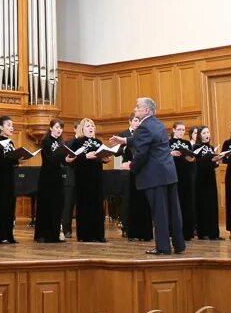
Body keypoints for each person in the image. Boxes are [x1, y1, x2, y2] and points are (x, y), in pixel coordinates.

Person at [125, 97, 185, 255]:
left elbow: (142, 153)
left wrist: (130, 165)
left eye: (138, 107)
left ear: (146, 110)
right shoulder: (158, 124)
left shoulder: (143, 127)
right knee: (173, 211)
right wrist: (125, 140)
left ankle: (163, 247)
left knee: (160, 213)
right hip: (168, 173)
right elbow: (149, 142)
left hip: (154, 176)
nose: (135, 109)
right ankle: (179, 245)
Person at [110, 112, 151, 242]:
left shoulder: (143, 134)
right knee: (128, 199)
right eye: (135, 120)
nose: (137, 122)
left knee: (141, 198)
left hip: (141, 170)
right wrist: (125, 146)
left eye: (139, 120)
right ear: (130, 121)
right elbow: (116, 152)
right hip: (127, 171)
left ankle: (142, 229)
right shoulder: (123, 135)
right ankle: (127, 228)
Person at [35, 118, 74, 243]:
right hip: (47, 177)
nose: (59, 130)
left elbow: (62, 160)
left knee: (57, 205)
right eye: (57, 127)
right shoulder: (46, 141)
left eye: (61, 128)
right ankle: (42, 235)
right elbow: (49, 159)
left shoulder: (61, 142)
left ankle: (55, 234)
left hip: (58, 177)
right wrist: (61, 158)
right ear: (51, 128)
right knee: (46, 205)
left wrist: (66, 160)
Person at [69, 117, 107, 243]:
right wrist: (86, 156)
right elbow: (71, 161)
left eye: (92, 126)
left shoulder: (98, 142)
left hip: (97, 178)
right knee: (85, 205)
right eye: (87, 126)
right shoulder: (77, 142)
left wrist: (105, 158)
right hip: (83, 178)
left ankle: (98, 235)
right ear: (82, 129)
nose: (91, 128)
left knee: (97, 206)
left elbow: (103, 155)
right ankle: (85, 235)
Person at [0, 114, 24, 244]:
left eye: (12, 125)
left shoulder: (10, 142)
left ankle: (9, 235)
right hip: (0, 178)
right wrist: (14, 159)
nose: (11, 127)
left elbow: (10, 160)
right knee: (1, 206)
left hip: (10, 177)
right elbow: (1, 161)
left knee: (10, 206)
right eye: (8, 125)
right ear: (1, 127)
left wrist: (18, 160)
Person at [192, 125, 222, 240]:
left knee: (212, 204)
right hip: (200, 179)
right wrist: (210, 160)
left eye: (208, 132)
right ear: (200, 135)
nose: (207, 135)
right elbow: (197, 164)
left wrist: (216, 161)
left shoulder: (211, 148)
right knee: (202, 205)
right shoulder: (196, 147)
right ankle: (203, 232)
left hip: (210, 179)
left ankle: (213, 233)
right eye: (204, 133)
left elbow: (212, 164)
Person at [170, 121, 197, 244]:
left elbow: (192, 160)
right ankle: (173, 231)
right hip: (172, 175)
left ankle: (188, 231)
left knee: (187, 203)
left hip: (186, 176)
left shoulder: (187, 143)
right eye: (179, 129)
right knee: (174, 203)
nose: (181, 132)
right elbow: (162, 156)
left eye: (183, 130)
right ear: (174, 130)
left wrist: (191, 159)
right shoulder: (168, 143)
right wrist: (171, 154)